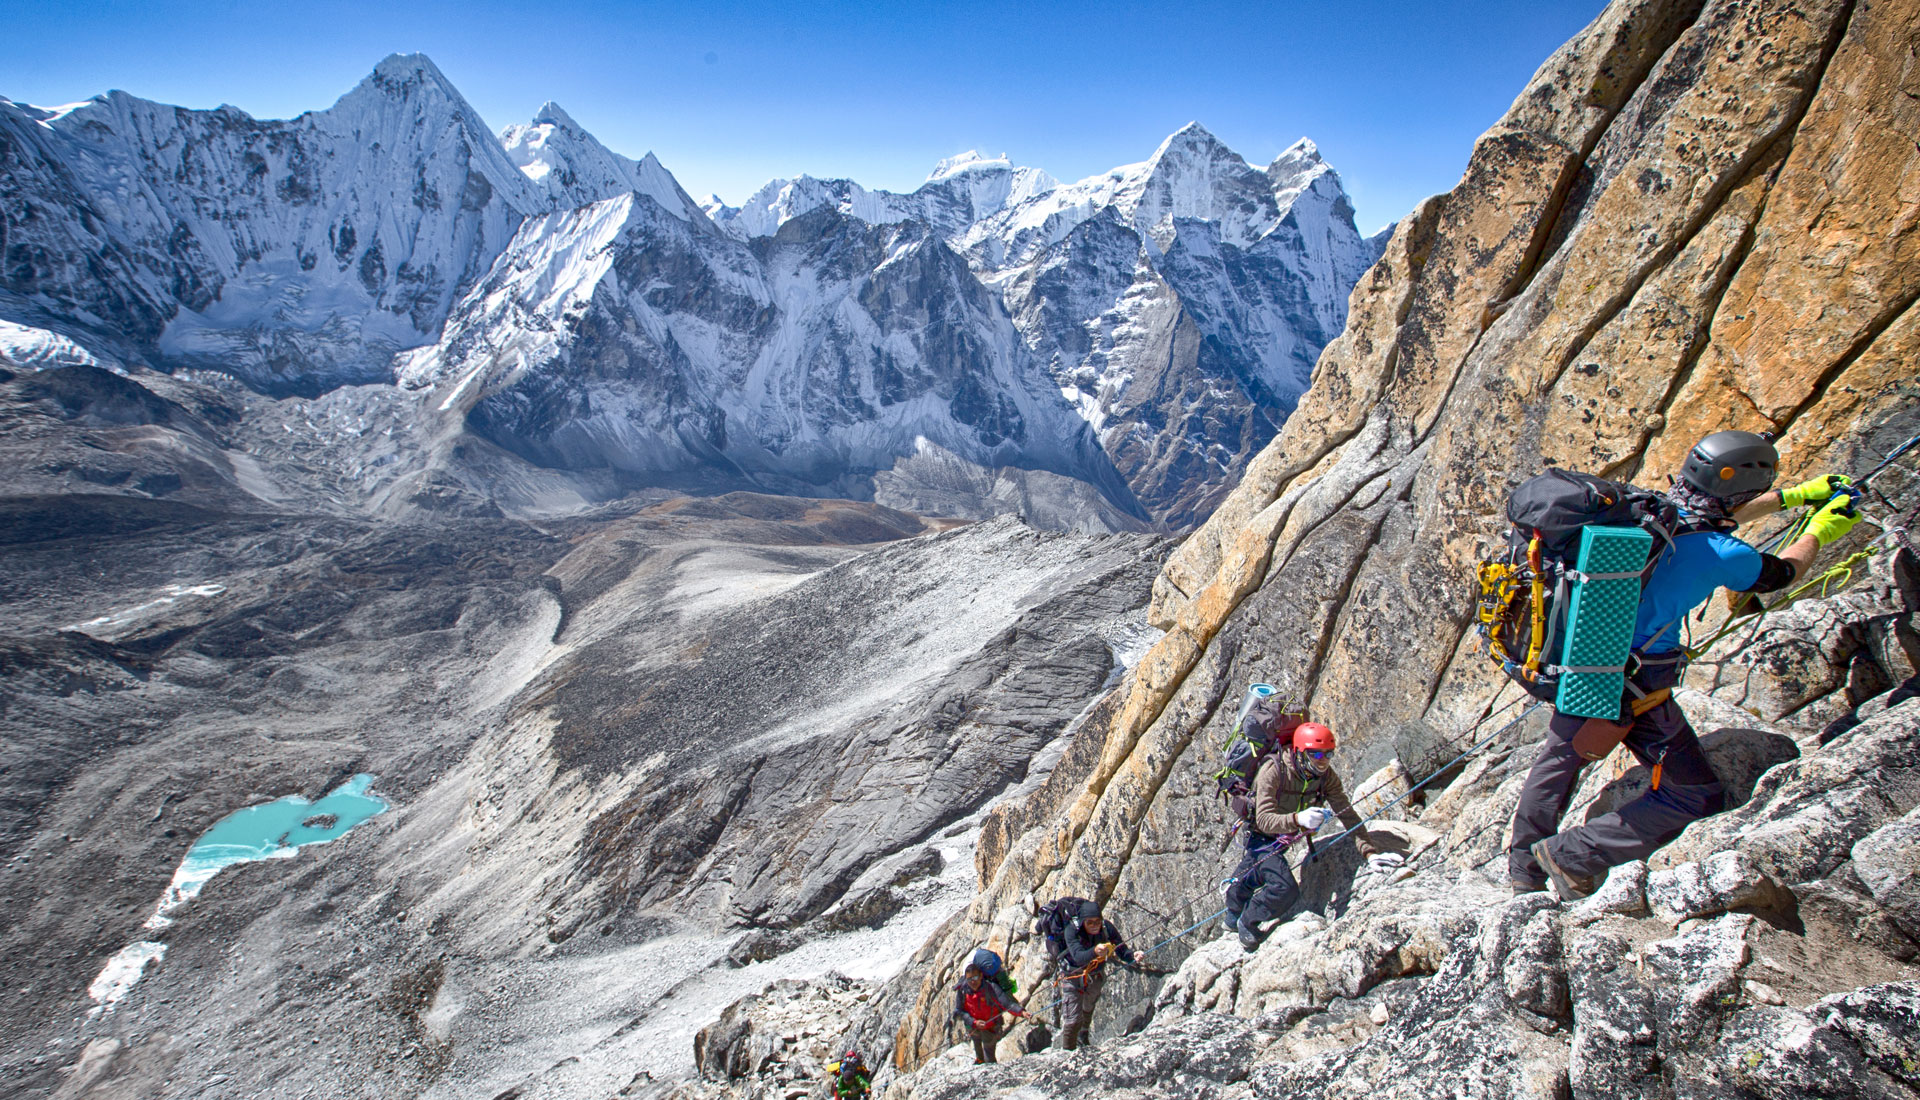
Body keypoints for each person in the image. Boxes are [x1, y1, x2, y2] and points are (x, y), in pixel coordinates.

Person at [1508, 431, 1860, 899]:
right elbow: (1781, 573)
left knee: (1559, 759)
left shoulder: (1650, 512)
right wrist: (1820, 528)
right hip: (1636, 680)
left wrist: (1793, 498)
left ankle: (1523, 872)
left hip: (1582, 658)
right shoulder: (1724, 554)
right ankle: (1572, 854)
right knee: (1693, 794)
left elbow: (1714, 519)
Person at [1223, 720, 1396, 952]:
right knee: (1284, 887)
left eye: (1328, 754)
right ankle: (1248, 921)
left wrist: (1370, 852)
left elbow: (1347, 813)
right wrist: (1298, 819)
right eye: (1315, 754)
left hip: (1282, 836)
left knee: (1257, 870)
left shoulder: (1325, 777)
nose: (1322, 761)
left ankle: (1233, 910)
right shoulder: (1274, 771)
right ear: (1299, 752)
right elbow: (1263, 819)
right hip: (1261, 837)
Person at [1054, 899, 1135, 1051]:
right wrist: (1095, 951)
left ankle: (1083, 1036)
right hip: (1072, 976)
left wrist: (1132, 956)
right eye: (1090, 922)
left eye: (1097, 921)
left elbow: (1120, 948)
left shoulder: (1106, 927)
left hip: (1095, 975)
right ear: (1083, 921)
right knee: (1072, 1020)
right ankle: (1067, 1052)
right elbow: (1078, 956)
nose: (1094, 926)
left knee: (1088, 1007)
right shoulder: (1072, 931)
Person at [951, 962, 1026, 1063]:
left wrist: (1021, 1012)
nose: (973, 982)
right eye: (969, 979)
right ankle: (980, 1060)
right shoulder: (963, 990)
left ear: (981, 976)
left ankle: (989, 1068)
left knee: (989, 1055)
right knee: (977, 1045)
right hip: (973, 1026)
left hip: (990, 1027)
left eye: (975, 977)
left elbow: (1007, 1004)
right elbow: (959, 1011)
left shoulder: (991, 988)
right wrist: (973, 1022)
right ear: (966, 979)